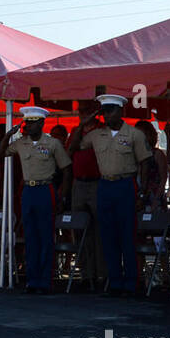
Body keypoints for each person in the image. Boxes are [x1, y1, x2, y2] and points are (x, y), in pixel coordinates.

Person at [70, 94, 150, 297]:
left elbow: (145, 162)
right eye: (104, 111)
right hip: (104, 185)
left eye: (110, 110)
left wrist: (143, 192)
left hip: (125, 184)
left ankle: (130, 282)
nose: (106, 115)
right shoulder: (97, 135)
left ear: (121, 111)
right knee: (108, 235)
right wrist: (83, 123)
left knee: (126, 235)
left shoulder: (134, 134)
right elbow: (73, 147)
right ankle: (115, 282)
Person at [3, 107, 72, 293]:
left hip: (45, 188)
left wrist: (62, 193)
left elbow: (66, 168)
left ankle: (44, 281)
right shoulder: (20, 143)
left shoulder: (53, 143)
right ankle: (32, 280)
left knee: (45, 237)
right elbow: (3, 152)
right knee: (30, 237)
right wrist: (8, 134)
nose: (29, 126)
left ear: (41, 123)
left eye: (33, 123)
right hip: (28, 190)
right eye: (27, 123)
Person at [68, 100, 106, 288]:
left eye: (85, 111)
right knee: (80, 230)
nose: (81, 114)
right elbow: (70, 150)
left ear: (94, 112)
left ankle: (101, 274)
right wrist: (81, 127)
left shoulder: (102, 129)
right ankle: (85, 274)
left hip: (97, 182)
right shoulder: (77, 131)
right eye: (80, 111)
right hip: (79, 183)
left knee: (99, 231)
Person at [135, 120, 169, 212]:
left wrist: (157, 198)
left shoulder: (157, 154)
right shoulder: (134, 154)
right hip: (137, 196)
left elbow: (163, 178)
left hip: (154, 195)